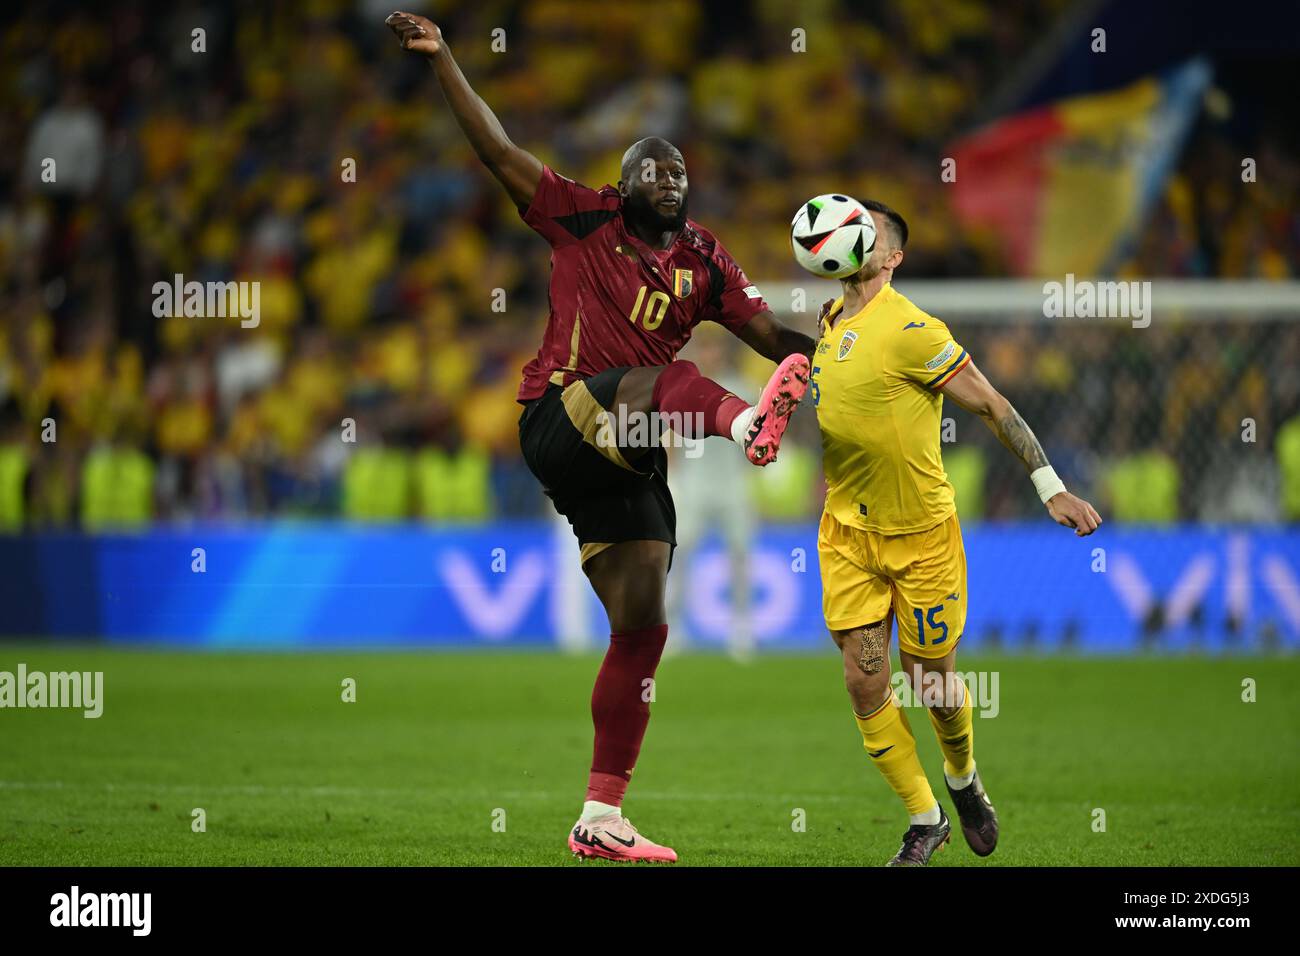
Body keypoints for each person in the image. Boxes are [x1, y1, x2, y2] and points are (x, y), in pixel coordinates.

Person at [386, 11, 816, 863]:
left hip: (630, 453)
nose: (667, 176)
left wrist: (840, 349)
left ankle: (601, 815)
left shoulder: (706, 259)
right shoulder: (580, 218)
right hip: (561, 414)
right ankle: (748, 427)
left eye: (678, 168)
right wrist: (444, 62)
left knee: (643, 628)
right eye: (649, 169)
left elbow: (769, 337)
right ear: (622, 185)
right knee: (676, 383)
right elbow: (499, 152)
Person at [811, 199, 1102, 866]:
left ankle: (964, 777)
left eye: (870, 234)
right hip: (848, 535)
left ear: (892, 257)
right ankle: (924, 818)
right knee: (864, 679)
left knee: (931, 682)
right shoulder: (828, 319)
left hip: (922, 538)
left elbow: (994, 405)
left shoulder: (914, 328)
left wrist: (1050, 485)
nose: (853, 239)